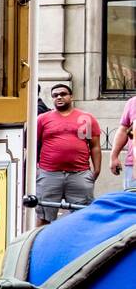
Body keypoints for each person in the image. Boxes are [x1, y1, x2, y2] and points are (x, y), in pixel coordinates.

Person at [35, 81, 101, 225]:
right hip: (49, 174)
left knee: (83, 216)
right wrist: (36, 170)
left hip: (79, 174)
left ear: (71, 96)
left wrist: (96, 171)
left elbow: (95, 146)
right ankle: (42, 245)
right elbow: (33, 145)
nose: (59, 97)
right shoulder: (43, 119)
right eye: (55, 95)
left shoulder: (85, 118)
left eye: (63, 94)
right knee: (44, 215)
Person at [110, 92, 136, 191]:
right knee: (131, 202)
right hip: (133, 165)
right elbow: (123, 130)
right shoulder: (132, 102)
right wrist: (114, 156)